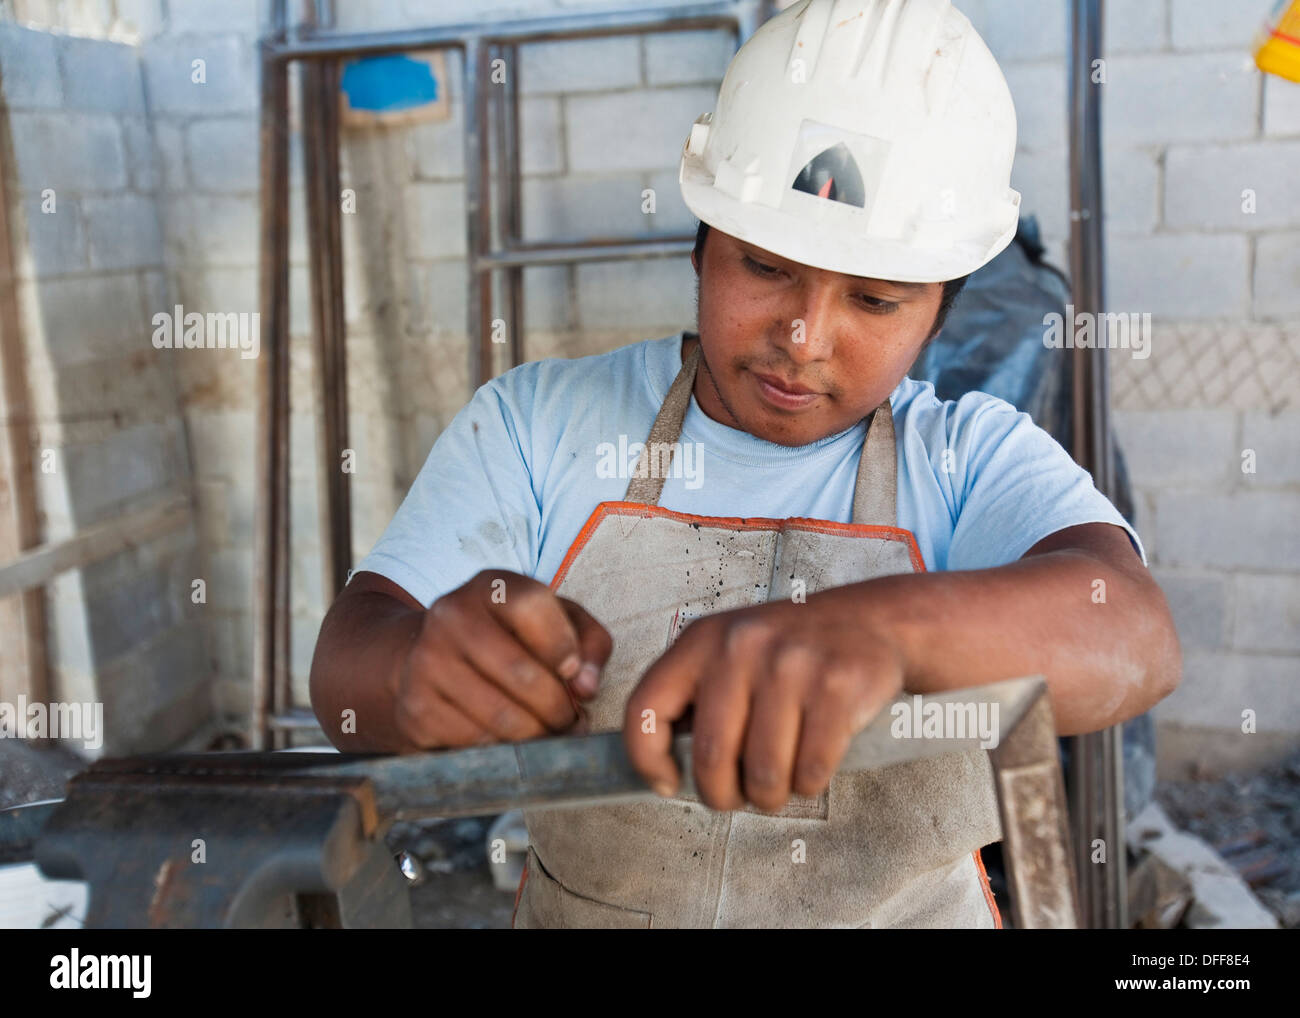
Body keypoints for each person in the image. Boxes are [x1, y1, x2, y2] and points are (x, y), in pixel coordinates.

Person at [309, 0, 1181, 928]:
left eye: (876, 301)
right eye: (764, 268)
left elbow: (1130, 632)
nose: (804, 340)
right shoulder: (537, 425)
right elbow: (349, 667)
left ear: (939, 312)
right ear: (701, 242)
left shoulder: (968, 458)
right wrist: (414, 676)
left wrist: (890, 634)